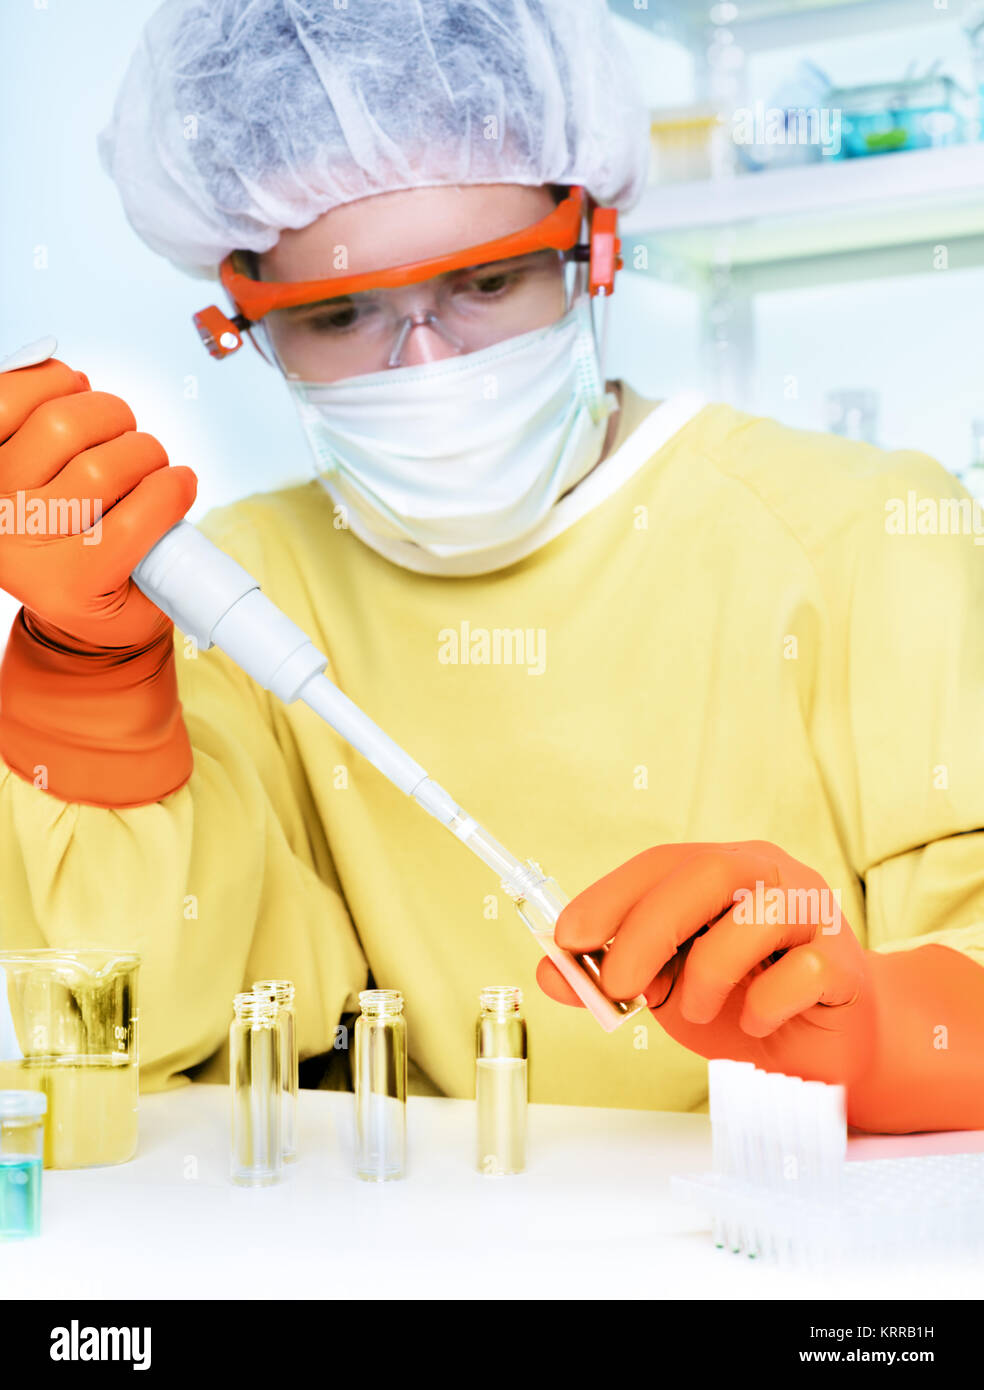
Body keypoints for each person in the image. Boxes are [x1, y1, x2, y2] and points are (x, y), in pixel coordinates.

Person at [1, 0, 982, 1132]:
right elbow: (149, 1027)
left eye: (485, 284)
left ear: (593, 249)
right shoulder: (229, 589)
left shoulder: (864, 530)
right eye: (336, 312)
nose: (424, 363)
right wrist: (90, 682)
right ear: (245, 322)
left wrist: (872, 1036)